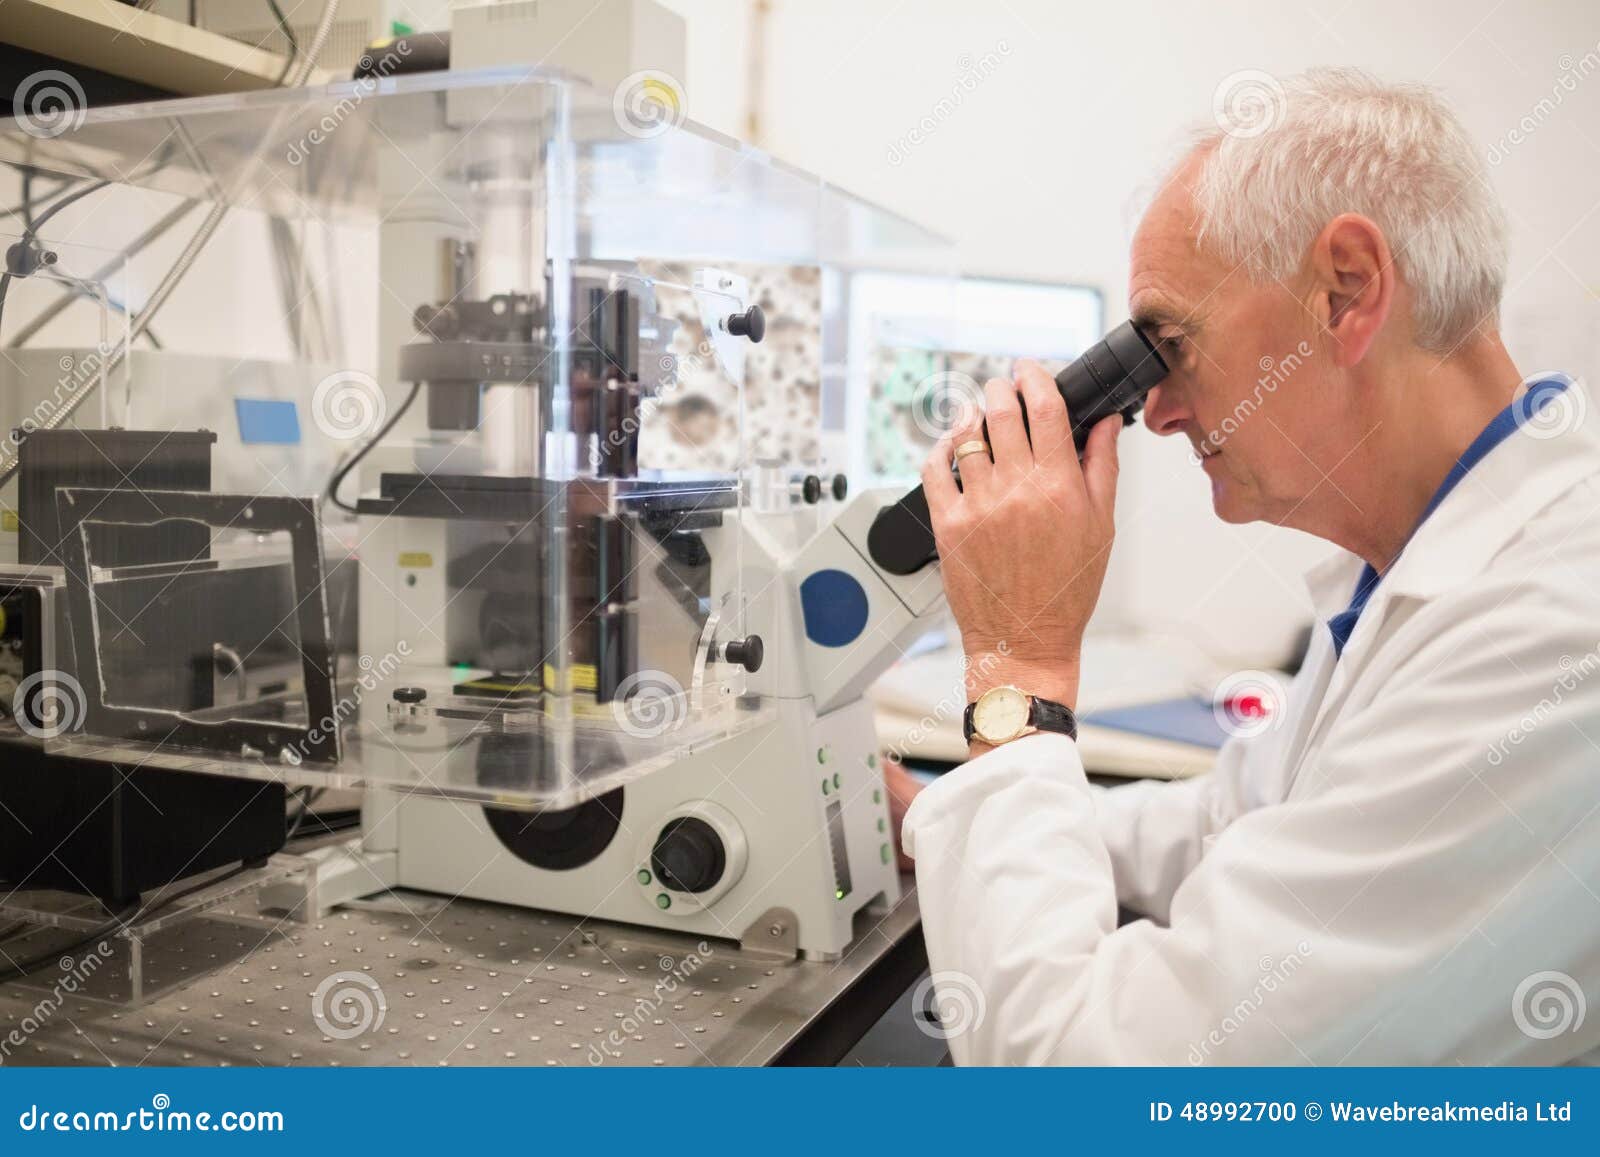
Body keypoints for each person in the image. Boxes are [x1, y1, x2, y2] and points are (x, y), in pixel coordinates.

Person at [901, 68, 1600, 1065]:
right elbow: (1228, 823)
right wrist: (942, 818)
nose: (1154, 409)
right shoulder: (1423, 572)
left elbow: (1074, 1083)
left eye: (1170, 344)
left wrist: (1017, 670)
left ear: (1347, 289)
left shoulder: (1549, 630)